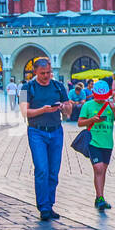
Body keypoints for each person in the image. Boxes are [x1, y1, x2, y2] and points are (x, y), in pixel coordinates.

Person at [23, 57, 71, 221]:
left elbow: (68, 109)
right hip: (37, 132)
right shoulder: (26, 87)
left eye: (49, 72)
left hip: (56, 131)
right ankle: (43, 207)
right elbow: (24, 112)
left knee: (53, 172)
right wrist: (43, 110)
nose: (46, 76)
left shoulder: (58, 86)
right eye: (43, 73)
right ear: (35, 71)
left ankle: (49, 205)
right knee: (42, 169)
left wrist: (65, 108)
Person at [78, 80, 115, 212]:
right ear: (93, 93)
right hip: (93, 142)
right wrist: (92, 120)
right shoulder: (88, 105)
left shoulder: (111, 105)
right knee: (98, 168)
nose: (101, 100)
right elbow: (80, 123)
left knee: (102, 170)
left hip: (107, 144)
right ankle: (100, 197)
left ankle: (100, 198)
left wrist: (114, 110)